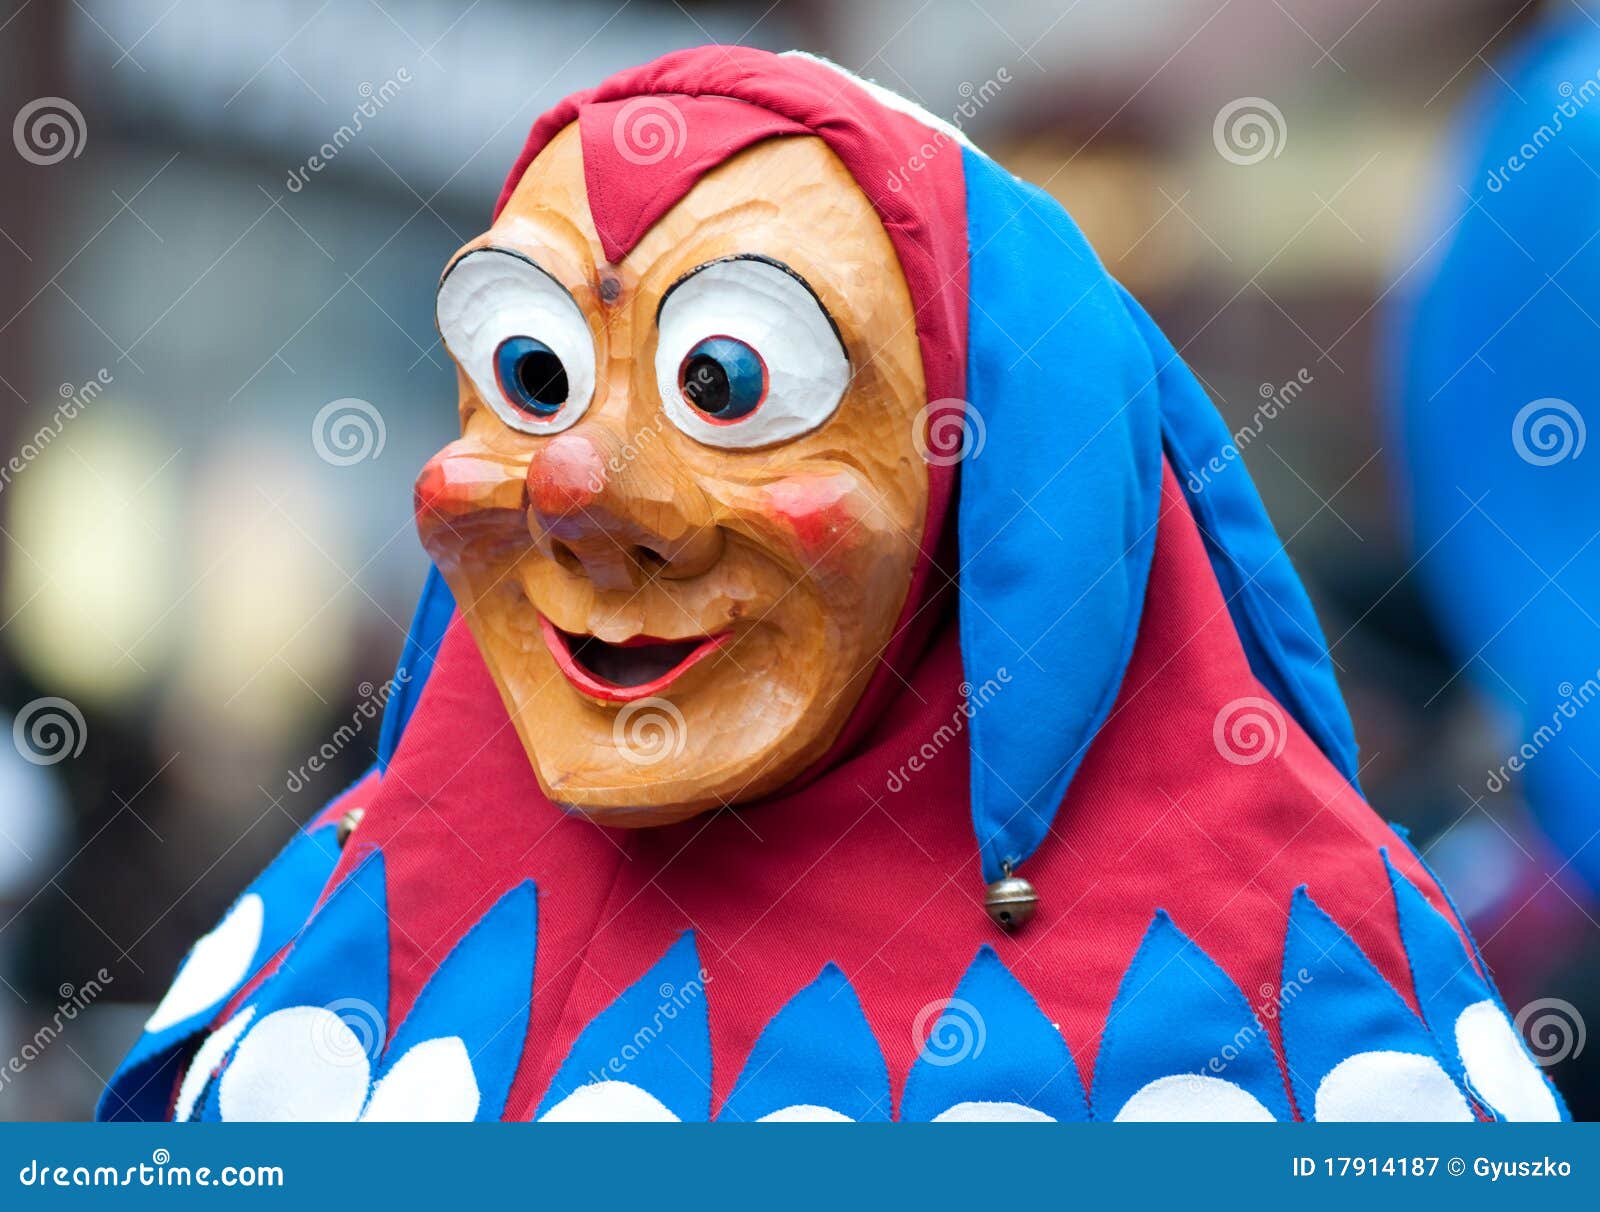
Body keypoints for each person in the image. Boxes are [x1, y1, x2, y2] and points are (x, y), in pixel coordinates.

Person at [104, 46, 1562, 1123]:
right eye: (534, 374)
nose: (579, 494)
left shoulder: (1301, 1011)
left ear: (999, 483)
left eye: (727, 383)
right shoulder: (334, 939)